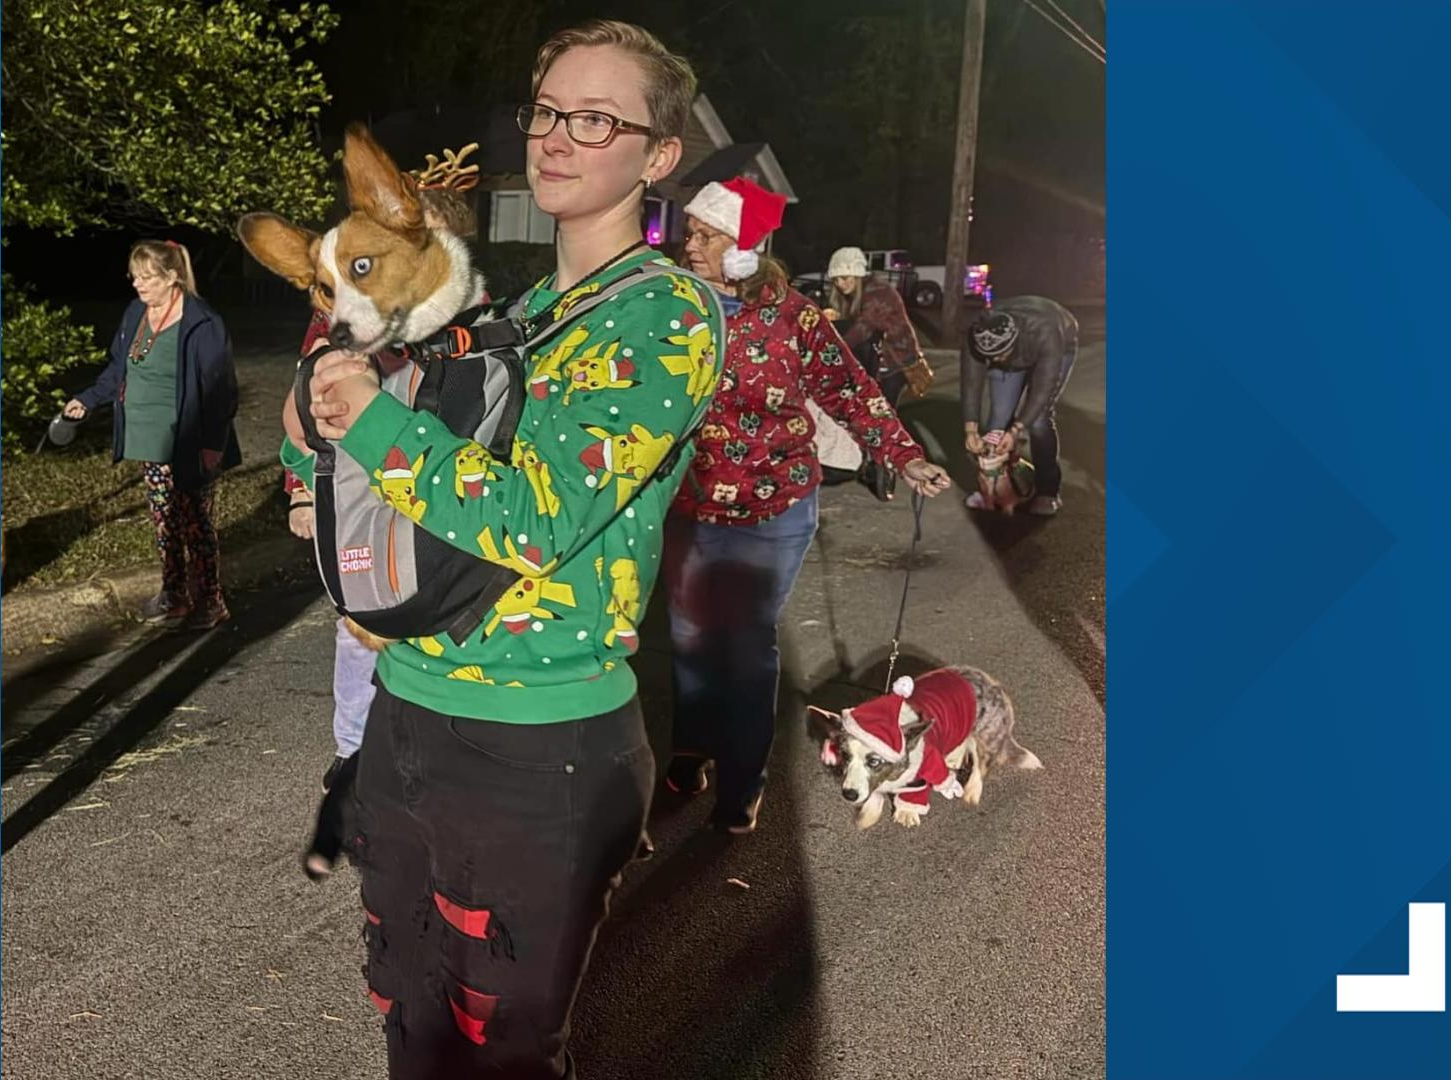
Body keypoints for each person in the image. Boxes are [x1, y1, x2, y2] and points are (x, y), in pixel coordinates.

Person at [284, 20, 722, 1079]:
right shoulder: (520, 312)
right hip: (409, 711)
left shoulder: (666, 316)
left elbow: (528, 521)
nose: (558, 136)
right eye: (547, 112)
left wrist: (373, 424)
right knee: (408, 1009)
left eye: (597, 117)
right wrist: (312, 448)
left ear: (658, 155)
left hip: (538, 748)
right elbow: (391, 487)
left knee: (504, 1043)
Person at [666, 179, 952, 833]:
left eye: (708, 234)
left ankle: (741, 784)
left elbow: (852, 390)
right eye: (691, 231)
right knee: (688, 637)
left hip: (775, 509)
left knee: (744, 645)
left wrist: (903, 454)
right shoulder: (673, 306)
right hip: (692, 503)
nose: (692, 244)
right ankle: (692, 745)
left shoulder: (795, 318)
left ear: (748, 246)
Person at [285, 178, 482, 792]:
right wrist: (300, 487)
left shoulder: (481, 315)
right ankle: (353, 750)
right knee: (362, 629)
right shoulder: (351, 322)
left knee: (447, 625)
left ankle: (439, 750)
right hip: (372, 509)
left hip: (454, 508)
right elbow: (302, 420)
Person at [64, 240, 240, 629]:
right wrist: (88, 399)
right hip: (148, 440)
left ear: (172, 277)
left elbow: (221, 390)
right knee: (165, 520)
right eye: (135, 277)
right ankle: (174, 594)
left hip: (189, 441)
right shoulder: (136, 314)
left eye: (148, 278)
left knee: (196, 521)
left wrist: (213, 444)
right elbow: (119, 369)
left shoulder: (202, 323)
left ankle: (210, 600)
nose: (138, 285)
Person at [808, 246, 935, 490]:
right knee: (865, 413)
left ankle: (884, 471)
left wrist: (829, 346)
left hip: (896, 363)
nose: (841, 284)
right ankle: (871, 462)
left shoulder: (879, 293)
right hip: (874, 361)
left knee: (880, 415)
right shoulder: (851, 295)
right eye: (836, 279)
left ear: (858, 275)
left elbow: (862, 330)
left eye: (845, 278)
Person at [960, 295, 1078, 517]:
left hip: (1059, 345)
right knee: (998, 418)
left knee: (1039, 420)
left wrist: (1016, 430)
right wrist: (970, 429)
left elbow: (1043, 388)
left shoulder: (1045, 331)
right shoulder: (977, 334)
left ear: (1013, 343)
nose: (999, 360)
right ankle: (996, 486)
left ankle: (1048, 491)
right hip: (1016, 343)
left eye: (1002, 355)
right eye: (992, 358)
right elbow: (971, 383)